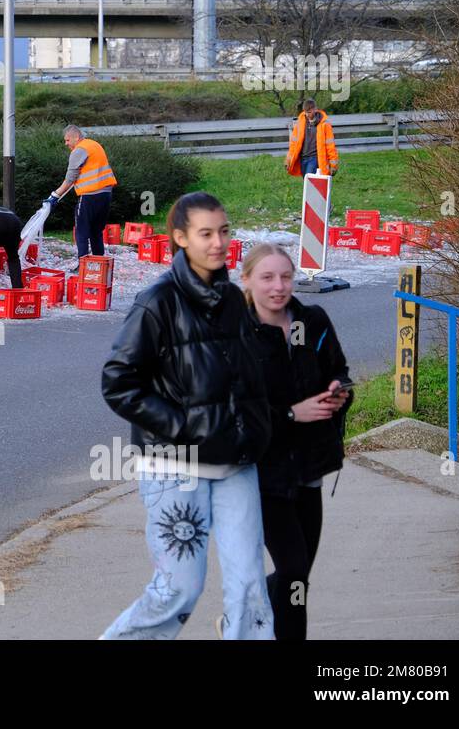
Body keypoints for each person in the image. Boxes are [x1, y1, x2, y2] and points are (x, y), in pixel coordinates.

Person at [99, 192, 274, 639]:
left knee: (250, 586)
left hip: (236, 465)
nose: (219, 243)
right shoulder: (156, 303)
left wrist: (258, 430)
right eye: (206, 234)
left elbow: (245, 379)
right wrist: (186, 428)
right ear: (180, 238)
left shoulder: (235, 299)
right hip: (175, 468)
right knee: (178, 589)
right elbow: (118, 382)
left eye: (224, 231)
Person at [240, 242, 351, 640]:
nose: (278, 286)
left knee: (298, 577)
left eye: (285, 276)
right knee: (291, 572)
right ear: (247, 281)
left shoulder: (314, 321)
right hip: (262, 473)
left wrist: (339, 391)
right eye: (267, 277)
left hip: (309, 466)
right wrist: (291, 413)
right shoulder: (236, 336)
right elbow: (232, 411)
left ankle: (247, 617)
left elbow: (339, 371)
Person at [48, 125, 117, 270]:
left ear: (76, 137)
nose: (66, 143)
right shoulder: (94, 145)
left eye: (67, 140)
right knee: (96, 231)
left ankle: (83, 266)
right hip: (105, 193)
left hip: (89, 196)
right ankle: (99, 265)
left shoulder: (79, 150)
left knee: (81, 231)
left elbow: (70, 178)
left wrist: (55, 196)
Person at [285, 98, 339, 178]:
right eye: (306, 112)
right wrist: (288, 160)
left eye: (309, 112)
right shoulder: (300, 123)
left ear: (315, 109)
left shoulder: (325, 124)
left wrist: (333, 165)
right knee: (307, 182)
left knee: (309, 180)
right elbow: (294, 144)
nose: (307, 115)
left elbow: (330, 146)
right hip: (303, 158)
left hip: (314, 158)